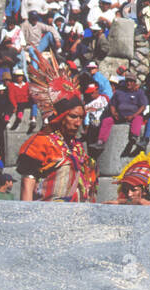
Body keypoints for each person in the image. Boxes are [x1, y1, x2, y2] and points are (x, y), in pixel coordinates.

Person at [16, 51, 94, 202]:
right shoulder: (40, 143)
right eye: (73, 116)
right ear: (60, 117)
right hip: (47, 219)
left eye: (80, 118)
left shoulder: (76, 146)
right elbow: (27, 184)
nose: (78, 122)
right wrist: (25, 219)